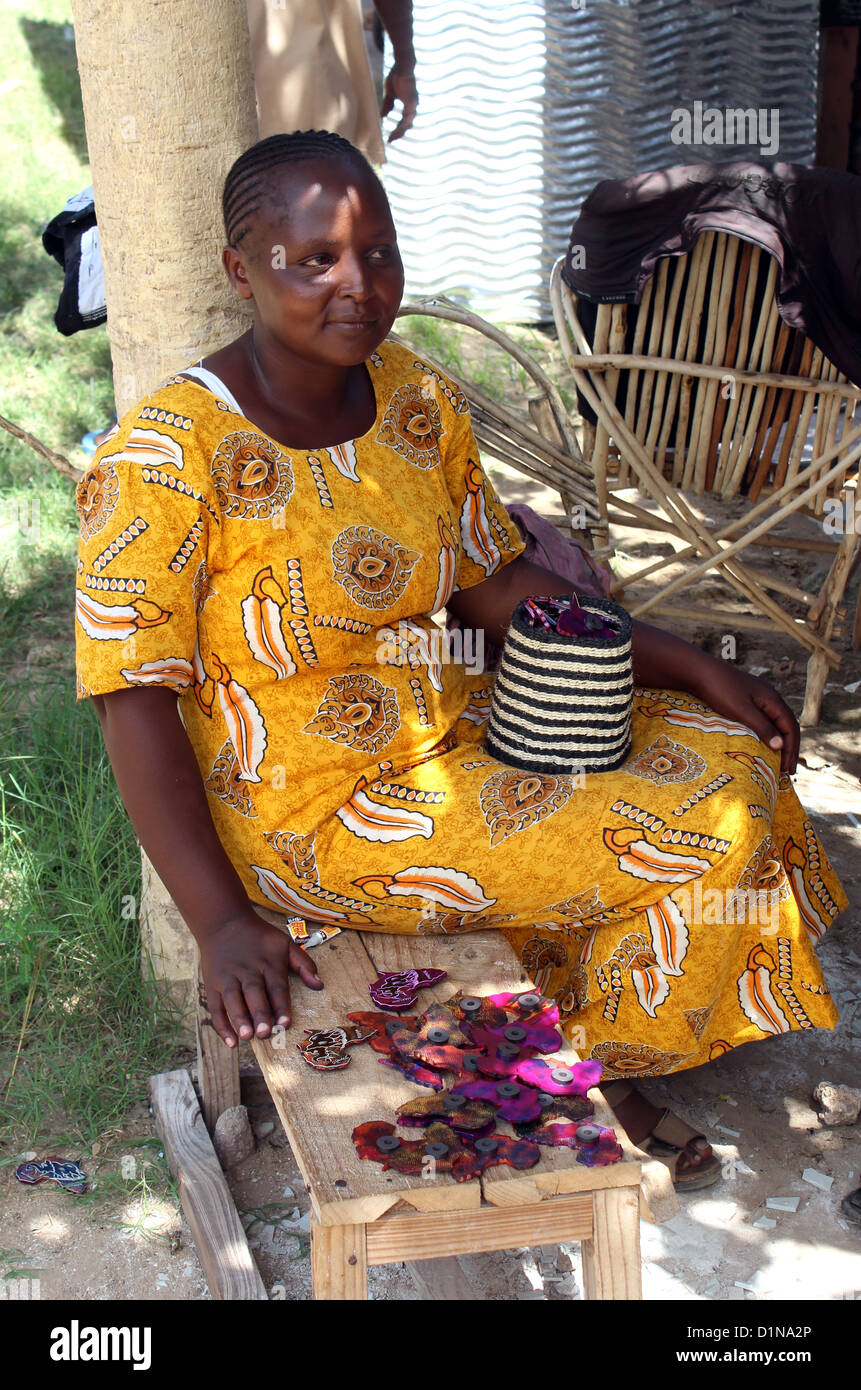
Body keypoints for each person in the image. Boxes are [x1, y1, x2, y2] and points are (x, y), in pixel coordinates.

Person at [74, 132, 847, 1191]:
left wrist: (688, 663)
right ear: (241, 271)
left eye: (378, 254)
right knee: (685, 833)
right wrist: (220, 921)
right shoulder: (163, 460)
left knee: (733, 757)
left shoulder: (412, 397)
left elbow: (493, 585)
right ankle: (591, 1074)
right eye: (315, 261)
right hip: (320, 815)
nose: (358, 287)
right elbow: (133, 702)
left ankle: (574, 1032)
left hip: (448, 732)